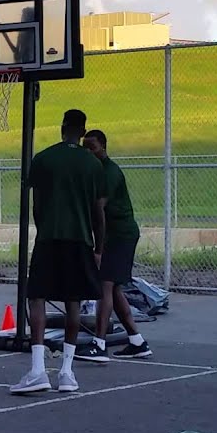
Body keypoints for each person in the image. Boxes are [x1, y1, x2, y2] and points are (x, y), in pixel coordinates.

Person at [11, 109, 106, 395]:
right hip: (80, 239)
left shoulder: (43, 159)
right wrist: (98, 247)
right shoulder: (92, 165)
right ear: (83, 130)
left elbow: (36, 205)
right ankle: (67, 371)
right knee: (73, 300)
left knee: (37, 297)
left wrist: (45, 228)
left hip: (49, 237)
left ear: (62, 127)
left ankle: (38, 369)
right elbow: (98, 211)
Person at [76, 129, 153, 362]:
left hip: (120, 235)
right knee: (114, 288)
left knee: (105, 285)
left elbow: (98, 209)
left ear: (104, 148)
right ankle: (137, 341)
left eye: (93, 148)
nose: (89, 152)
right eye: (85, 148)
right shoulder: (95, 172)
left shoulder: (109, 172)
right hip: (113, 235)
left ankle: (99, 345)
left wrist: (98, 248)